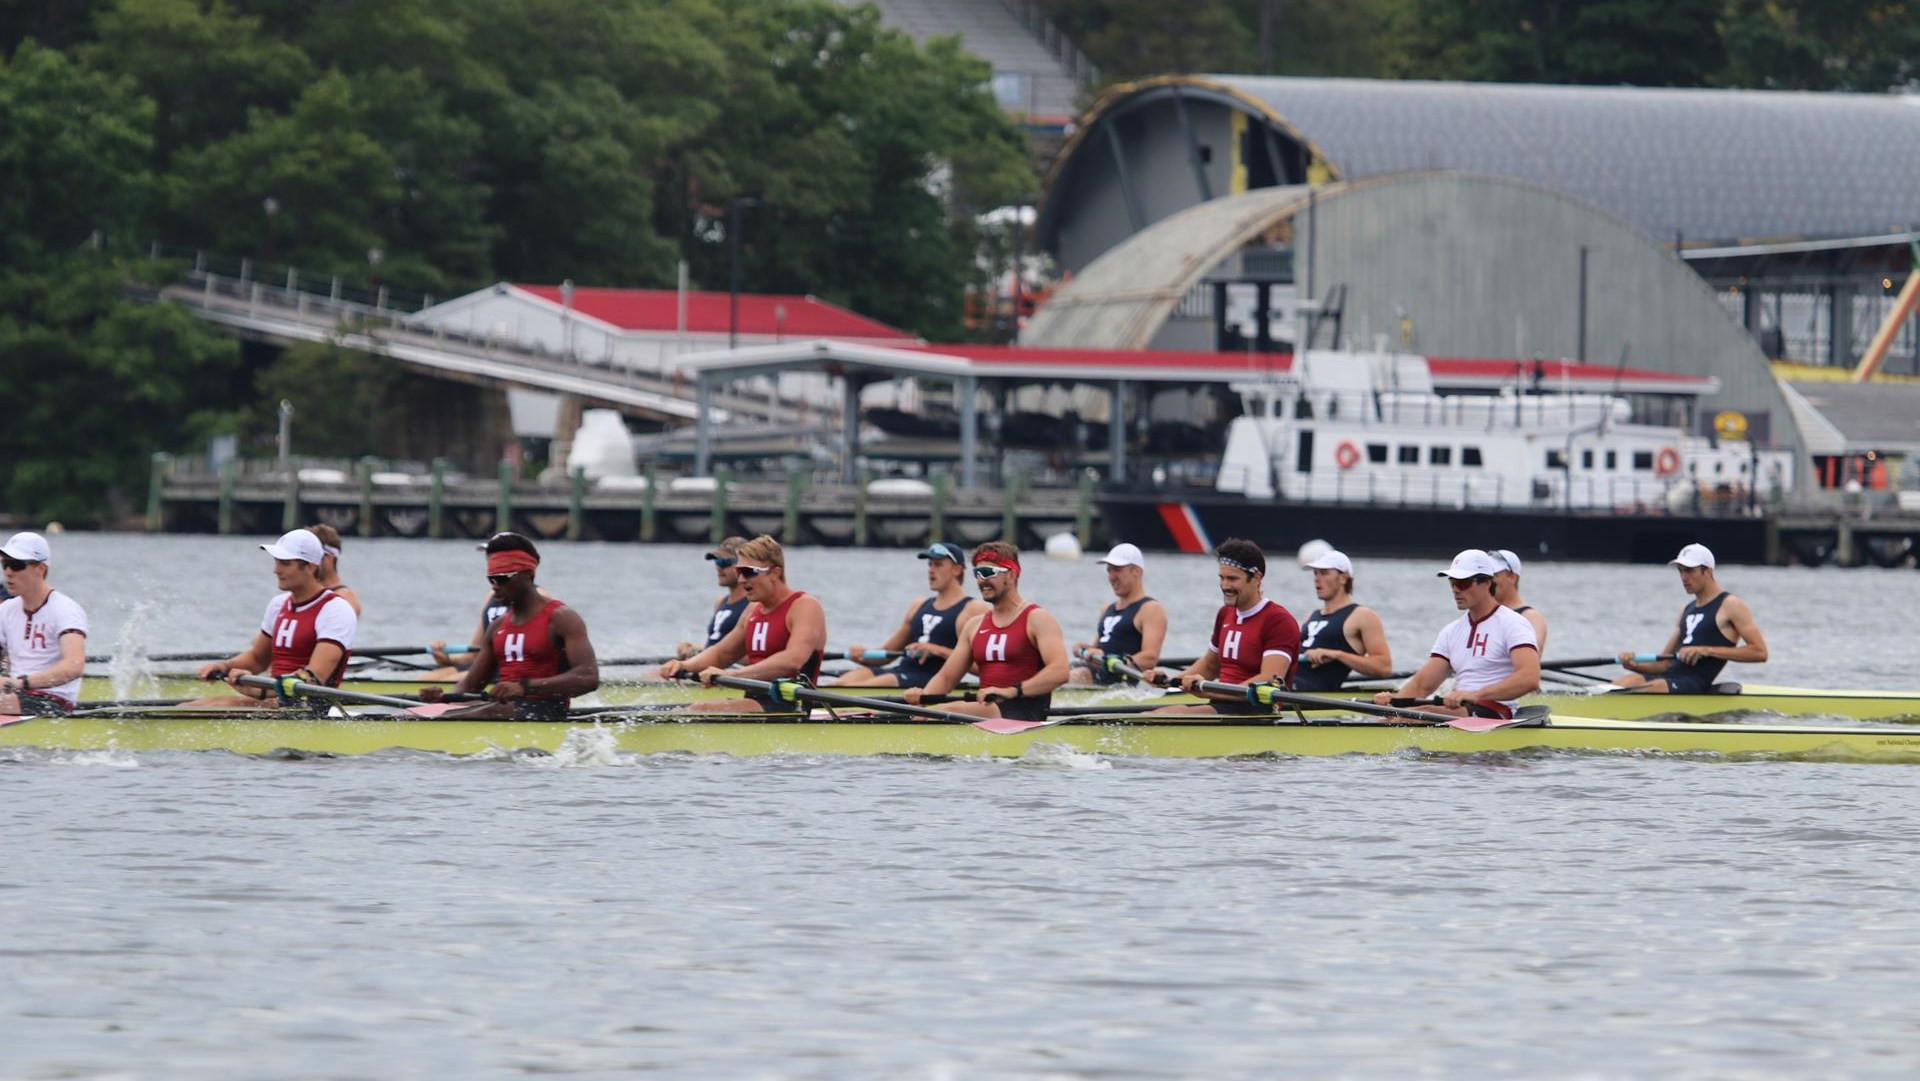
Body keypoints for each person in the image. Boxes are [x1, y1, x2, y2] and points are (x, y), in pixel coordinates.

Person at [420, 533, 599, 719]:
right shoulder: (497, 627)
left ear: (529, 574)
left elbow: (588, 678)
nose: (495, 586)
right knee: (412, 715)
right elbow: (470, 685)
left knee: (480, 710)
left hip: (544, 711)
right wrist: (443, 698)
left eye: (503, 579)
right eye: (491, 579)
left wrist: (525, 687)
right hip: (503, 711)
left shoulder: (562, 618)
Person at [190, 528, 359, 708]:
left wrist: (258, 690)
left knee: (205, 707)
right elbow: (257, 659)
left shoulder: (335, 609)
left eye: (285, 563)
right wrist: (225, 667)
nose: (276, 570)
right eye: (276, 561)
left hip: (307, 710)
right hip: (274, 703)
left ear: (310, 567)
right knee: (194, 706)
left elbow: (313, 678)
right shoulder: (278, 605)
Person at [903, 541, 1070, 721]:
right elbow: (946, 678)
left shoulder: (1038, 619)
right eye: (977, 573)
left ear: (1011, 575)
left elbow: (1060, 671)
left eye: (988, 573)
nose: (982, 580)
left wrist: (1011, 691)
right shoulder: (974, 625)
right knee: (919, 715)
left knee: (934, 714)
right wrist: (922, 699)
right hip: (987, 711)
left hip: (1024, 713)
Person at [660, 536, 827, 712]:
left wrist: (733, 675)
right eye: (739, 572)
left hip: (793, 707)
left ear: (775, 573)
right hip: (758, 704)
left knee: (699, 709)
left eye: (748, 572)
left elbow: (792, 660)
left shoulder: (804, 606)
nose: (741, 580)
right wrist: (686, 665)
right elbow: (722, 653)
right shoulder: (752, 610)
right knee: (682, 710)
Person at [1375, 549, 1540, 719]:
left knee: (1414, 716)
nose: (1455, 590)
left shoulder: (1513, 623)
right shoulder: (1451, 631)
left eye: (1463, 583)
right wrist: (1393, 703)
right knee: (1392, 718)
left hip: (1497, 711)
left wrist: (1477, 694)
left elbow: (1530, 678)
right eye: (1452, 582)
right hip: (1461, 709)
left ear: (1486, 583)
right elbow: (1422, 685)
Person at [1160, 538, 1300, 716]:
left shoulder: (1278, 621)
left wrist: (1209, 691)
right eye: (1222, 578)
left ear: (1256, 578)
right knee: (1156, 713)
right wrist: (1168, 680)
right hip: (1221, 705)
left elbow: (1268, 680)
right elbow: (1210, 666)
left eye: (1232, 579)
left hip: (1254, 712)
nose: (1225, 586)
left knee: (1166, 715)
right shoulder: (1225, 614)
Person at [1614, 543, 1768, 694]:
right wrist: (1633, 664)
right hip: (1667, 679)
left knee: (1638, 690)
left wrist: (1706, 650)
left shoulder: (1730, 604)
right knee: (1621, 684)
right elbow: (1663, 665)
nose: (1683, 577)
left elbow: (1760, 652)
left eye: (1689, 571)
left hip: (1693, 683)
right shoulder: (1687, 610)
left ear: (1707, 571)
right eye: (1680, 571)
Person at [830, 542, 987, 688]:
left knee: (877, 683)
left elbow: (983, 668)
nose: (931, 570)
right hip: (901, 672)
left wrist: (938, 650)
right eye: (930, 564)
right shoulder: (918, 605)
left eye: (938, 565)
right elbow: (886, 654)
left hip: (933, 681)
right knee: (847, 680)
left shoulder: (972, 609)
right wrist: (861, 655)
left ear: (957, 570)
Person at [427, 533, 554, 679]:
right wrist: (447, 659)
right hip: (490, 666)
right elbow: (474, 655)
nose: (490, 560)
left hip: (514, 675)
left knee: (442, 683)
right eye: (488, 555)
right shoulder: (491, 596)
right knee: (429, 679)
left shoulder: (541, 598)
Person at [0, 532, 88, 717]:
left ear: (40, 569)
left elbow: (74, 666)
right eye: (5, 564)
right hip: (15, 696)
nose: (8, 572)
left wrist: (22, 683)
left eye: (16, 565)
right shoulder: (7, 610)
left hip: (52, 701)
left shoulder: (65, 610)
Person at [1292, 549, 1392, 692]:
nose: (1317, 578)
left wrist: (1337, 655)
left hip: (1310, 689)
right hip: (1287, 680)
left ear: (1343, 578)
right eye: (1315, 573)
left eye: (1324, 573)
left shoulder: (1362, 616)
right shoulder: (1311, 616)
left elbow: (1384, 667)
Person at [1068, 542, 1168, 684]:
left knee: (1069, 677)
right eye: (1109, 570)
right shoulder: (1107, 609)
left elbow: (1150, 658)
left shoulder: (1150, 609)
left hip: (1117, 681)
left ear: (1136, 571)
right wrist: (1084, 648)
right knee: (1053, 672)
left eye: (1117, 570)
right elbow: (1098, 650)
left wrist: (1116, 660)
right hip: (1092, 672)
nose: (1111, 576)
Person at [674, 536, 752, 661]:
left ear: (744, 566)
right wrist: (694, 648)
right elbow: (715, 644)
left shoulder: (753, 605)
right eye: (717, 562)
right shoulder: (720, 602)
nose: (718, 568)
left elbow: (757, 656)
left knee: (652, 676)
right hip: (711, 666)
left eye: (724, 563)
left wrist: (706, 654)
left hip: (726, 671)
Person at [1488, 548, 1546, 652]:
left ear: (1512, 577)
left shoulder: (1531, 616)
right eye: (1485, 577)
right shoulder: (1482, 613)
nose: (1488, 582)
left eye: (1494, 575)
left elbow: (1533, 654)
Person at [308, 523, 361, 615]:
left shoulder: (345, 599)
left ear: (329, 558)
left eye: (312, 556)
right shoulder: (307, 593)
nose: (306, 563)